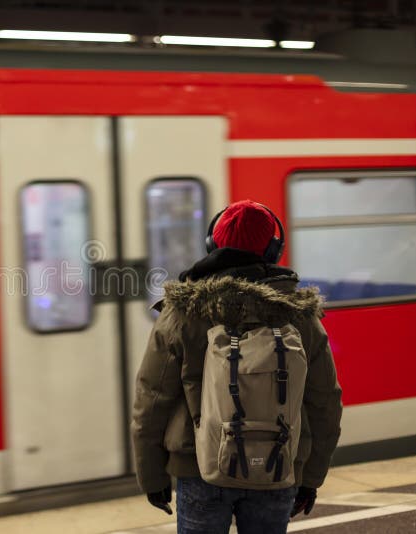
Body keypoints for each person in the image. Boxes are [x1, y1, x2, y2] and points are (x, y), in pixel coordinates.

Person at [131, 200, 343, 534]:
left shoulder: (184, 312)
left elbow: (152, 398)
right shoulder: (300, 316)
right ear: (273, 250)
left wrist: (152, 476)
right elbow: (325, 403)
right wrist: (310, 476)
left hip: (200, 468)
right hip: (276, 467)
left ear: (212, 245)